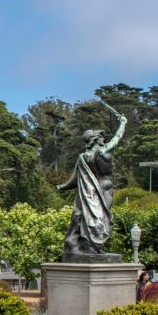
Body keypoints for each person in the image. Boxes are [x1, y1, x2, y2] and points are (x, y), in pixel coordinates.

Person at [56, 99, 127, 261]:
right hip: (103, 190)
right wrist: (123, 123)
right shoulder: (102, 152)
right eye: (100, 137)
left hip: (88, 191)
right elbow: (117, 138)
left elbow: (74, 180)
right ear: (95, 140)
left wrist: (62, 186)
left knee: (81, 215)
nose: (103, 139)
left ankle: (82, 244)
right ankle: (87, 245)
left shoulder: (83, 157)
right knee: (96, 218)